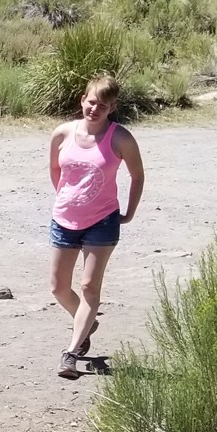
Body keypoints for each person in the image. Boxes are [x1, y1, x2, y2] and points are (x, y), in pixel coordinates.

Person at [47, 75, 145, 380]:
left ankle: (71, 353)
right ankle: (86, 322)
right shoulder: (62, 133)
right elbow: (54, 170)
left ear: (112, 107)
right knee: (59, 287)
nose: (95, 108)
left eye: (103, 105)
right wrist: (67, 199)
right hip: (64, 219)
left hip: (103, 220)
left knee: (89, 286)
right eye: (91, 102)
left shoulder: (121, 138)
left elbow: (138, 175)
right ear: (82, 100)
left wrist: (129, 212)